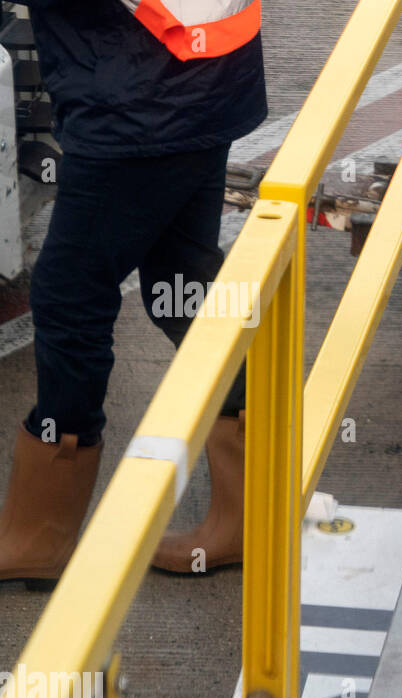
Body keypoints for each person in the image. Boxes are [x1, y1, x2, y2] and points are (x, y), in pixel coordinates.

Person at [0, 1, 266, 586]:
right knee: (183, 285)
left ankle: (40, 534)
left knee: (70, 297)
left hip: (141, 90)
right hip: (201, 72)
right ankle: (256, 509)